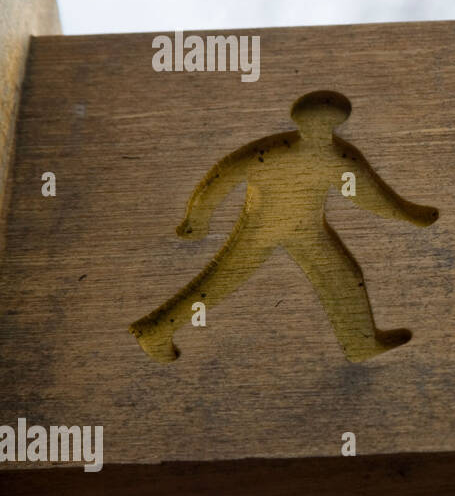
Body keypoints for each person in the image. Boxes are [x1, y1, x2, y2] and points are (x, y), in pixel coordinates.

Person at [130, 91, 437, 362]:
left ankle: (359, 344)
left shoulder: (335, 158)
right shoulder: (285, 153)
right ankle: (155, 330)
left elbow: (369, 196)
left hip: (305, 231)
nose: (319, 128)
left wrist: (410, 214)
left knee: (344, 277)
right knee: (216, 285)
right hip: (260, 231)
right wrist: (196, 220)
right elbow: (221, 180)